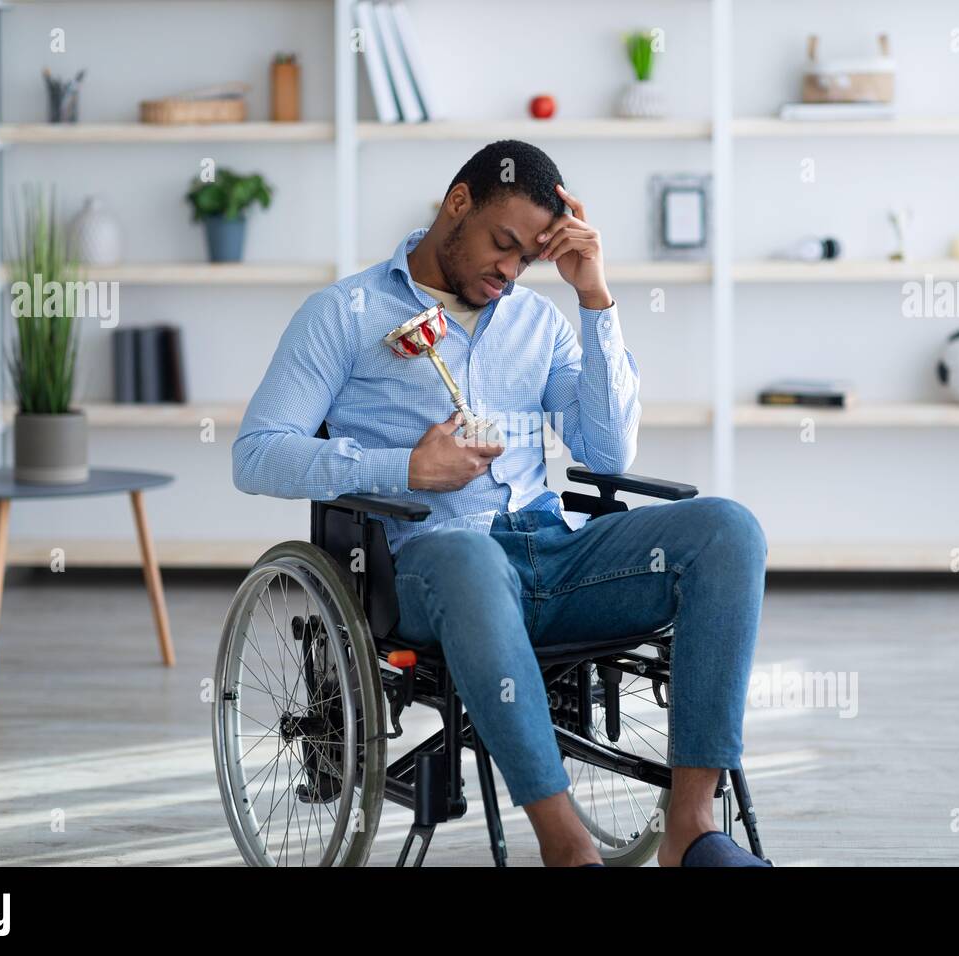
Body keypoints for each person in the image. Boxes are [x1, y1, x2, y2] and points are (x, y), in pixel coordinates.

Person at [233, 139, 768, 867]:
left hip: (551, 549)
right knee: (468, 555)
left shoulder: (538, 323)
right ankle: (566, 846)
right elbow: (258, 452)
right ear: (459, 204)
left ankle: (692, 829)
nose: (509, 273)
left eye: (528, 260)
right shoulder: (344, 313)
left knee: (727, 530)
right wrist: (409, 468)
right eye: (502, 245)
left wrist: (593, 298)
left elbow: (609, 456)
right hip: (430, 563)